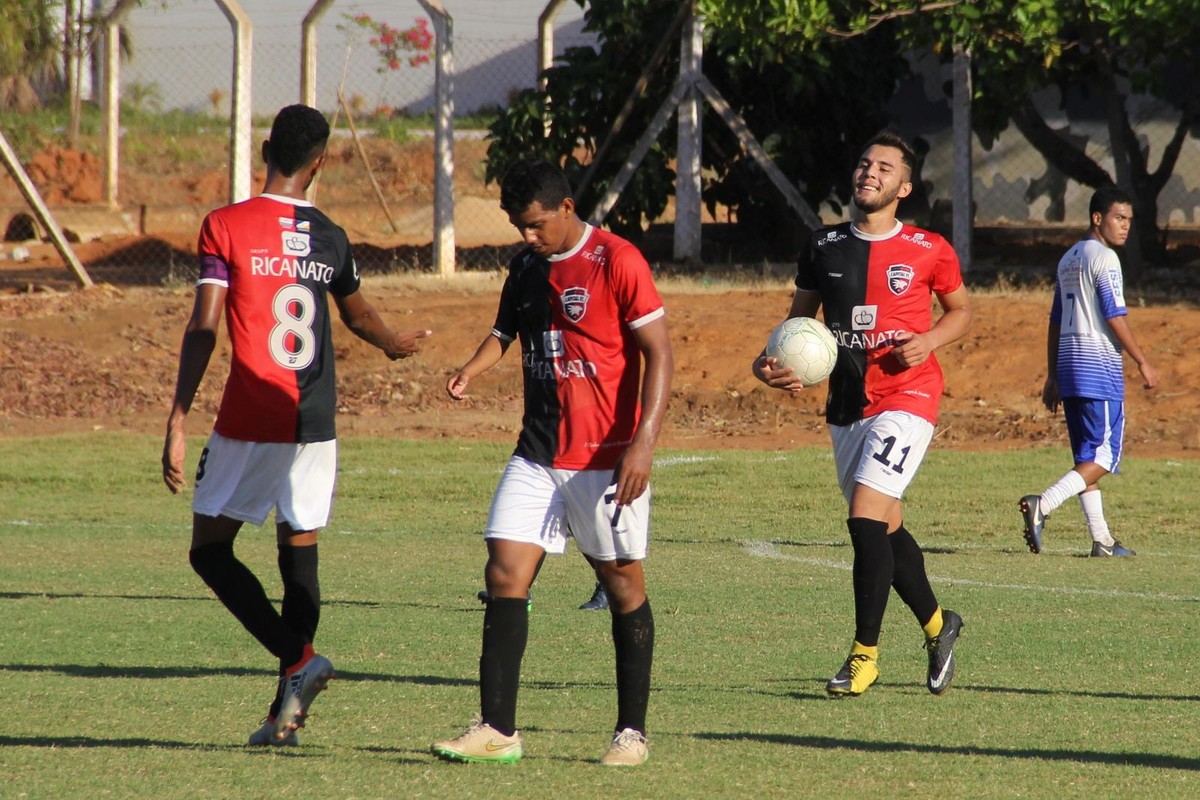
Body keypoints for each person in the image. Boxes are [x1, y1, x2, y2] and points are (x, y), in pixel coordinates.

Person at [161, 104, 431, 747]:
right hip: (315, 418)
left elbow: (204, 325)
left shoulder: (225, 226)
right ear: (320, 163)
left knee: (208, 550)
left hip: (254, 414)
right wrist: (395, 344)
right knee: (298, 551)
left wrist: (177, 417)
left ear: (265, 152)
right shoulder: (330, 235)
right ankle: (288, 707)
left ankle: (297, 660)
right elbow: (360, 316)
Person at [431, 159, 672, 766]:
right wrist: (471, 369)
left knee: (623, 587)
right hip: (537, 451)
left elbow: (660, 354)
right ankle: (498, 729)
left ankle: (631, 733)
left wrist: (643, 443)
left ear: (566, 207)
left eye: (535, 224)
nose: (528, 236)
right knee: (504, 572)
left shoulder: (618, 261)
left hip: (606, 456)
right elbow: (503, 332)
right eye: (519, 227)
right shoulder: (525, 268)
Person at [753, 130, 972, 698]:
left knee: (864, 514)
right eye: (863, 163)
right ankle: (938, 624)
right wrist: (769, 366)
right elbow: (795, 329)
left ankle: (863, 657)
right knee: (886, 527)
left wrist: (928, 341)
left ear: (905, 185)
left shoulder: (930, 248)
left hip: (909, 396)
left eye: (884, 167)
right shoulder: (823, 245)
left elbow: (961, 312)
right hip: (848, 403)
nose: (869, 172)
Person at [1019, 186, 1158, 557]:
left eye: (1129, 219)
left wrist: (1053, 374)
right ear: (1098, 218)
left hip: (1069, 366)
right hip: (1099, 369)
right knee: (1105, 457)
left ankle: (1103, 541)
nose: (1125, 226)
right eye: (1119, 218)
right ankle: (1043, 505)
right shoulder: (1105, 258)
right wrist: (1142, 360)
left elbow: (1055, 320)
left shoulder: (1068, 258)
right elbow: (1114, 314)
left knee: (1086, 459)